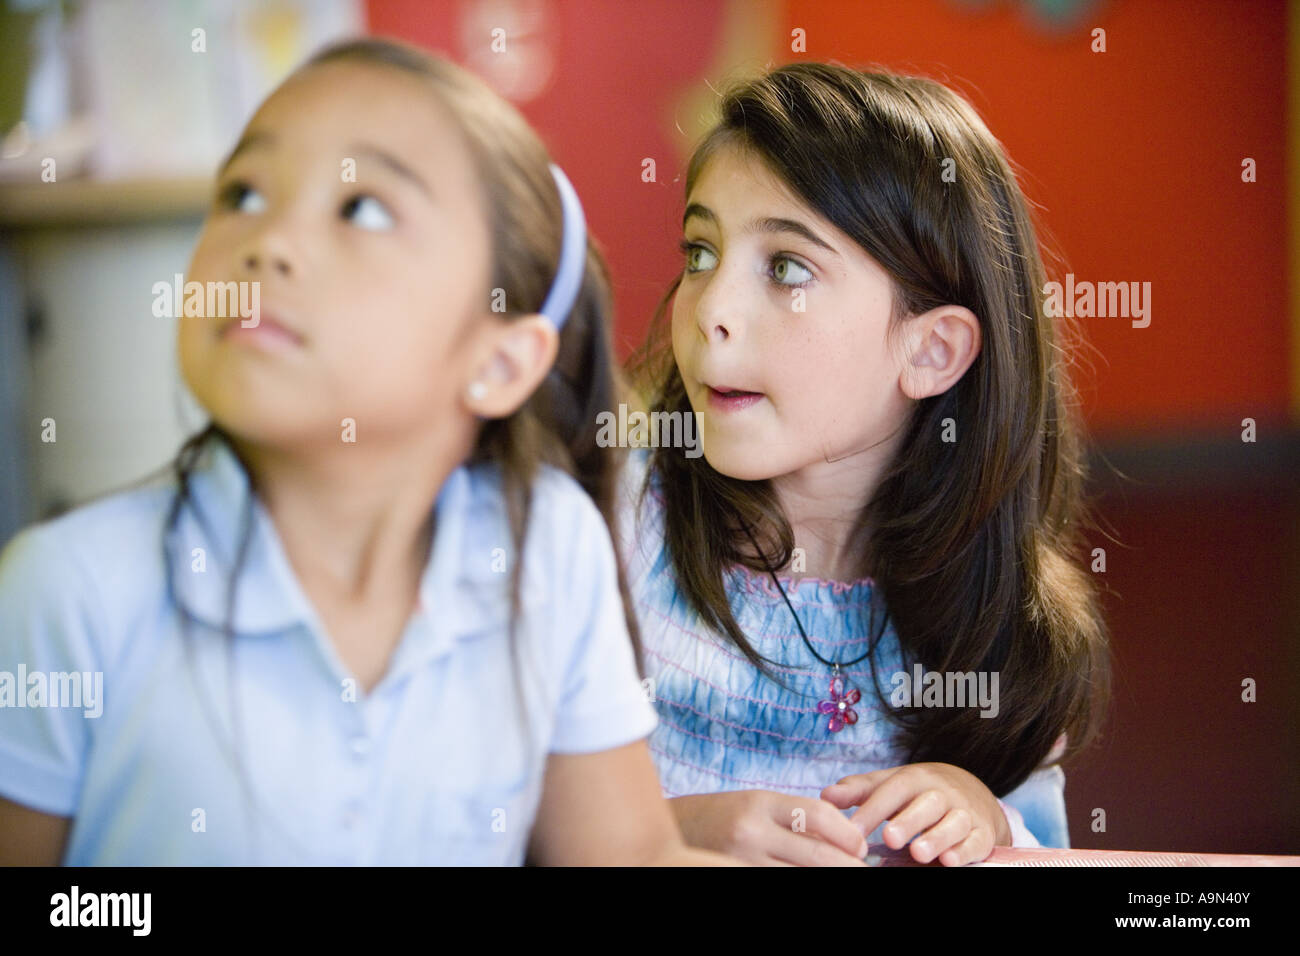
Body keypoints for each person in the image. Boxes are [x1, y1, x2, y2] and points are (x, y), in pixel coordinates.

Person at [0, 38, 729, 866]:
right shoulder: (68, 590)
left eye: (364, 209)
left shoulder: (547, 547)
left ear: (498, 363)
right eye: (243, 193)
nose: (268, 242)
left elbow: (627, 858)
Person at [619, 62, 1109, 866]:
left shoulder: (994, 617)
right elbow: (473, 806)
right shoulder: (613, 527)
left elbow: (1056, 854)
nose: (709, 311)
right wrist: (657, 838)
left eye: (785, 268)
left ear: (932, 350)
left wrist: (982, 813)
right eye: (701, 252)